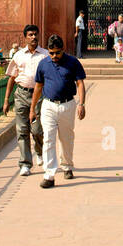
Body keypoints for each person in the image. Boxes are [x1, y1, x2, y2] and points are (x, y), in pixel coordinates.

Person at [31, 34, 86, 188]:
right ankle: (49, 174)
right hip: (48, 105)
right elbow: (38, 87)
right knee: (48, 138)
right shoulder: (43, 64)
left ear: (63, 50)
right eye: (51, 53)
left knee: (66, 138)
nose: (54, 56)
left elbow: (80, 83)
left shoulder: (72, 62)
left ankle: (67, 165)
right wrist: (32, 108)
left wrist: (81, 104)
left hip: (67, 104)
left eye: (57, 53)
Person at [2, 24, 48, 177]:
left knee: (37, 130)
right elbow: (12, 78)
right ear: (25, 37)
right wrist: (6, 100)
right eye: (30, 35)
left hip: (40, 96)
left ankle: (39, 151)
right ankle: (25, 163)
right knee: (22, 130)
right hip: (21, 94)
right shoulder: (19, 55)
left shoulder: (45, 55)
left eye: (35, 34)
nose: (33, 37)